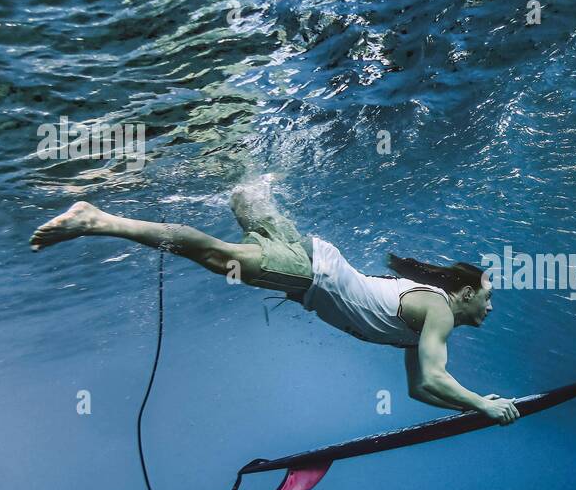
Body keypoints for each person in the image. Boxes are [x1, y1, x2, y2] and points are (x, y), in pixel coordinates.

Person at [29, 180, 520, 425]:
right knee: (217, 256)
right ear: (466, 292)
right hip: (309, 272)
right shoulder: (438, 312)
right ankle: (97, 218)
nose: (491, 308)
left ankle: (242, 167)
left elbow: (420, 389)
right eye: (489, 297)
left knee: (247, 198)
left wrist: (474, 409)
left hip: (306, 265)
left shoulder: (424, 318)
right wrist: (482, 405)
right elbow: (437, 377)